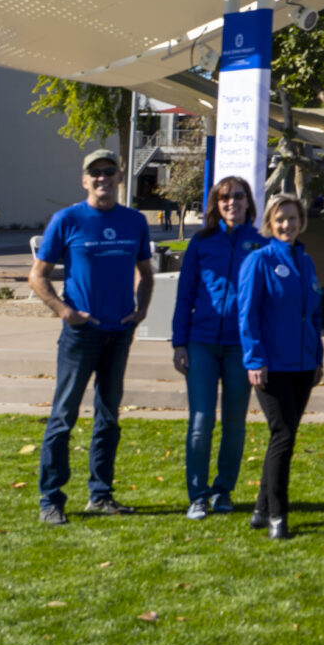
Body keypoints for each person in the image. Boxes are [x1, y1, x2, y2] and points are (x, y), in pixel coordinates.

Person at [29, 149, 155, 526]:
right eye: (94, 173)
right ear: (85, 181)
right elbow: (37, 276)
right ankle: (50, 500)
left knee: (108, 419)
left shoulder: (134, 221)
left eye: (109, 171)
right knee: (63, 418)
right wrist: (65, 312)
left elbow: (146, 273)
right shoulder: (66, 220)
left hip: (119, 335)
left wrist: (141, 310)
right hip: (81, 335)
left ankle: (100, 496)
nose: (102, 178)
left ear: (119, 177)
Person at [170, 176, 266, 519]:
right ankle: (197, 494)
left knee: (235, 423)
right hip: (201, 343)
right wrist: (179, 341)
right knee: (200, 420)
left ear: (248, 203)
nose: (232, 203)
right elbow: (185, 294)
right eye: (225, 198)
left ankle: (223, 490)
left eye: (238, 197)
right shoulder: (201, 243)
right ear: (216, 203)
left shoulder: (260, 244)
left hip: (241, 347)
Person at [237, 195, 324, 540]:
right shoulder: (258, 261)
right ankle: (277, 515)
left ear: (301, 221)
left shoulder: (307, 262)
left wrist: (317, 357)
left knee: (284, 435)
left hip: (302, 365)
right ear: (270, 224)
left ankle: (260, 509)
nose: (287, 225)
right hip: (271, 366)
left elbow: (315, 315)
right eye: (280, 219)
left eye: (292, 218)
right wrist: (254, 359)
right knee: (283, 436)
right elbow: (248, 315)